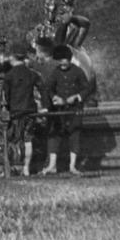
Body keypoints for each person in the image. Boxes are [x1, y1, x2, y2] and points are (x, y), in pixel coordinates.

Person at [43, 44, 90, 175]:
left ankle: (72, 166)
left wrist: (77, 96)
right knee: (54, 135)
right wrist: (54, 97)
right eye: (60, 63)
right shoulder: (55, 72)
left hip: (74, 110)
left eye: (65, 63)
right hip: (59, 111)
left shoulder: (78, 71)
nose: (62, 65)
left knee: (74, 135)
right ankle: (52, 165)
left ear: (69, 60)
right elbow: (48, 88)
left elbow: (86, 88)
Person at [1, 46, 45, 176]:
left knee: (12, 139)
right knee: (28, 140)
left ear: (12, 59)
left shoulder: (9, 76)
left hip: (15, 112)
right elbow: (43, 88)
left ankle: (11, 168)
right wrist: (45, 105)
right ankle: (26, 168)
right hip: (30, 111)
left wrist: (6, 107)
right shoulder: (32, 73)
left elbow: (6, 96)